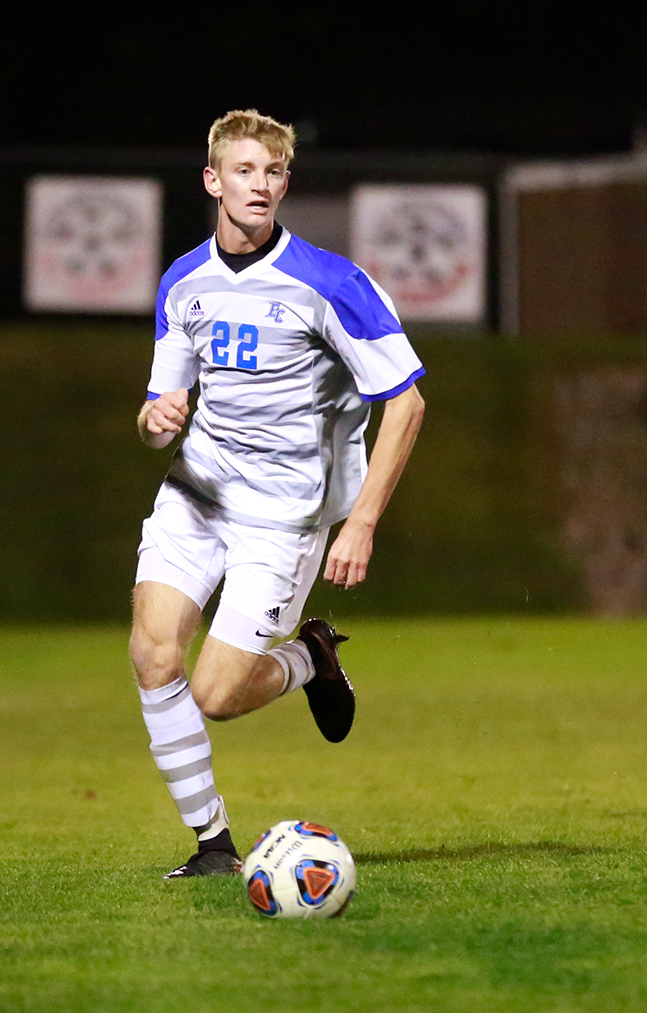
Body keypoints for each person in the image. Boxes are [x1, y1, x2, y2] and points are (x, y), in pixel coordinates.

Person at [130, 110, 427, 877]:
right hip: (198, 489)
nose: (258, 185)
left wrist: (361, 522)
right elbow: (160, 418)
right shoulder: (182, 280)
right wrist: (157, 417)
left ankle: (309, 656)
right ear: (213, 180)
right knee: (152, 652)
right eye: (243, 170)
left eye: (271, 173)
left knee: (217, 695)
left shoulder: (331, 283)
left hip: (286, 514)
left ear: (284, 184)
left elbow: (407, 402)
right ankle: (212, 847)